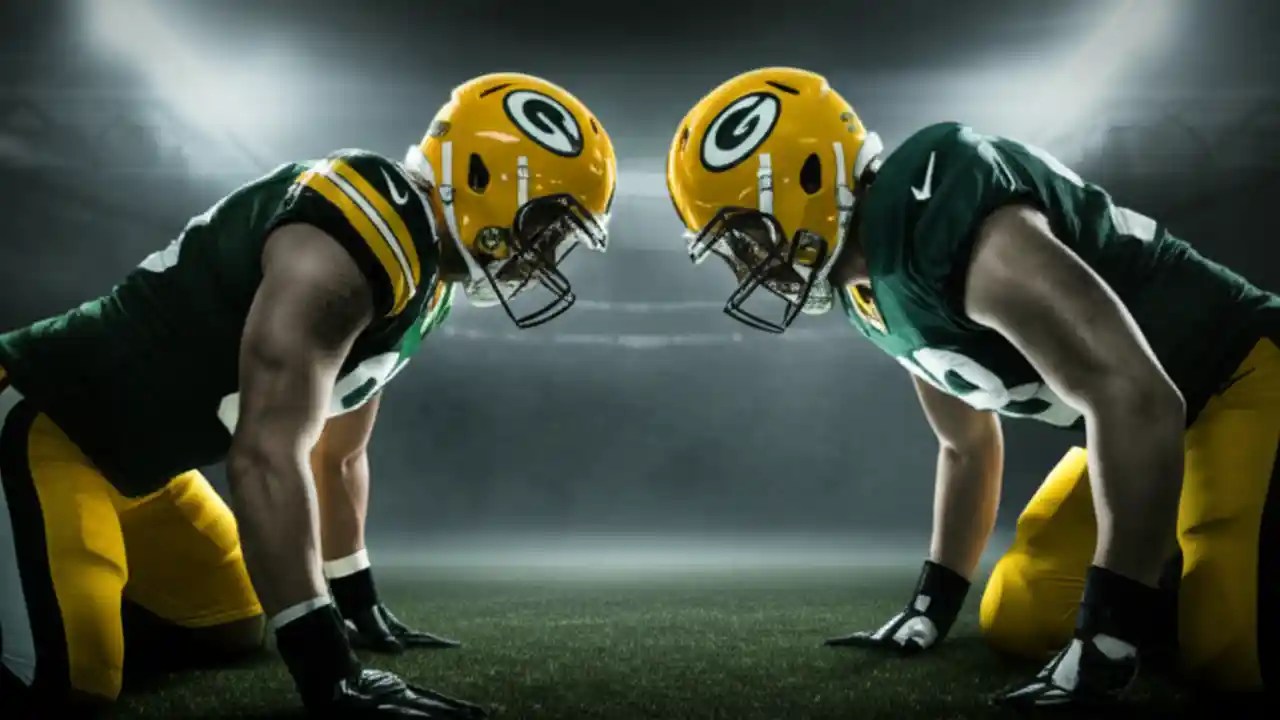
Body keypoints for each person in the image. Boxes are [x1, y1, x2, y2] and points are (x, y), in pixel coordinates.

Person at [0, 71, 616, 717]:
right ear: (485, 178)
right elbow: (264, 455)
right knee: (67, 679)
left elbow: (337, 451)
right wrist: (330, 672)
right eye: (548, 225)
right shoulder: (355, 232)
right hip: (43, 415)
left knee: (233, 621)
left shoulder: (427, 279)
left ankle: (52, 566)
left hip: (141, 469)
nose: (548, 253)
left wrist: (355, 597)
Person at [665, 66, 1278, 708]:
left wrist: (1108, 638)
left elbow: (1137, 397)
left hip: (1239, 375)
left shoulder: (945, 216)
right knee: (1021, 612)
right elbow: (965, 444)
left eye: (747, 234)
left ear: (805, 181)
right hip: (1146, 427)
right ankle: (1181, 560)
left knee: (1230, 651)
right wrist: (930, 606)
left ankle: (1199, 576)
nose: (747, 263)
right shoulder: (869, 286)